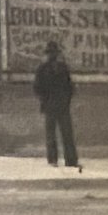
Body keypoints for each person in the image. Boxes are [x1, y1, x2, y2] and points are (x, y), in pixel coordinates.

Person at [34, 40, 80, 170]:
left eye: (54, 53)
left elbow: (69, 86)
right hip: (50, 105)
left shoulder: (63, 68)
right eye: (50, 53)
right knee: (51, 134)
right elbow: (37, 87)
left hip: (62, 105)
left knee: (67, 133)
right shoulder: (42, 69)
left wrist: (66, 100)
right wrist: (44, 100)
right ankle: (52, 159)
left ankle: (71, 160)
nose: (52, 56)